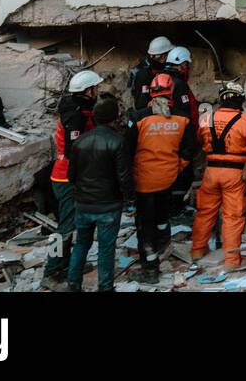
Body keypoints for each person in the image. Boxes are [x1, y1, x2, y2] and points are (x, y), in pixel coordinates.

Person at [123, 72, 196, 284]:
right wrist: (176, 168)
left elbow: (126, 152)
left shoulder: (138, 118)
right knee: (163, 218)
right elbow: (189, 149)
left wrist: (127, 185)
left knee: (145, 227)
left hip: (144, 182)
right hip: (169, 180)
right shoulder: (183, 119)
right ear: (171, 92)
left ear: (151, 93)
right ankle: (164, 244)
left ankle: (150, 270)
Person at [191, 81, 246, 270]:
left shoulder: (205, 119)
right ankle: (232, 261)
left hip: (211, 171)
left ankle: (197, 250)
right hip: (234, 173)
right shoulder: (245, 121)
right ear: (240, 100)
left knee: (205, 212)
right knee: (233, 216)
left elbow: (198, 139)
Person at [41, 69, 102, 291]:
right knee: (64, 227)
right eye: (95, 88)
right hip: (66, 177)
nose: (97, 91)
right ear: (88, 90)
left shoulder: (79, 110)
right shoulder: (75, 115)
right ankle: (51, 271)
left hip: (69, 175)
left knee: (71, 224)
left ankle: (65, 265)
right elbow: (72, 149)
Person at [66, 95, 134, 293]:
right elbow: (124, 176)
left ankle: (73, 284)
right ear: (115, 117)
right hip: (108, 205)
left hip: (83, 203)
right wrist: (130, 198)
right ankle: (105, 287)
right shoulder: (118, 141)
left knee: (81, 245)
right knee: (106, 248)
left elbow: (72, 175)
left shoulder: (80, 142)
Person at [162, 46, 200, 216]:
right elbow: (185, 113)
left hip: (163, 137)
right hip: (179, 137)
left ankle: (169, 207)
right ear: (182, 64)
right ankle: (174, 208)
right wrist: (190, 139)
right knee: (182, 174)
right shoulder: (179, 84)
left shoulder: (161, 79)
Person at [127, 36, 174, 112]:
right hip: (151, 114)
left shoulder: (142, 70)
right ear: (162, 57)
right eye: (169, 54)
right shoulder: (144, 75)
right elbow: (141, 104)